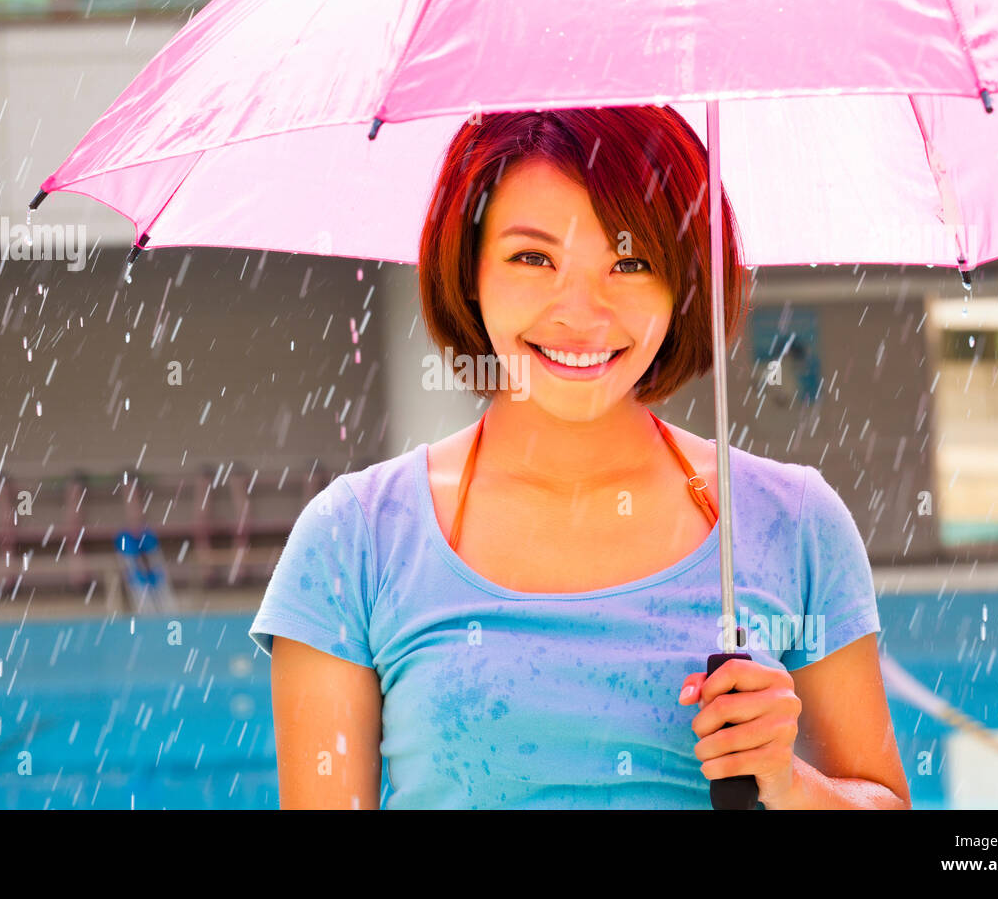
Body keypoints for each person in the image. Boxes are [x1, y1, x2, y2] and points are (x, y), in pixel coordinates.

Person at [250, 105, 911, 809]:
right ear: (469, 270)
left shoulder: (795, 522)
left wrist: (790, 780)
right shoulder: (355, 539)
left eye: (629, 262)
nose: (581, 313)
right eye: (533, 258)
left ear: (683, 280)